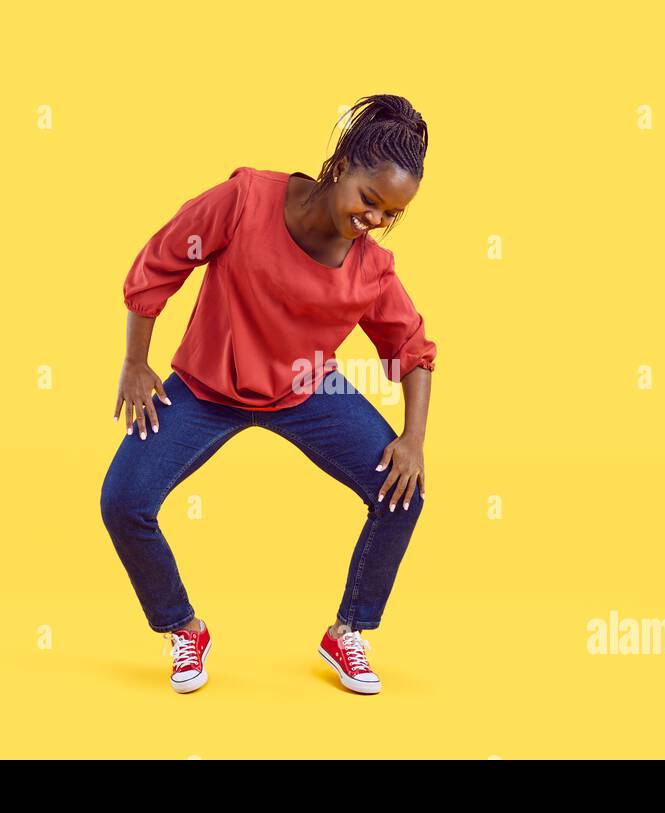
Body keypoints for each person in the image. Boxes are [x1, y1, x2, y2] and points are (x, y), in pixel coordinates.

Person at [100, 94, 436, 695]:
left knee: (402, 495)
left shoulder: (370, 268)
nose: (375, 219)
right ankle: (184, 628)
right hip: (207, 386)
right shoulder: (246, 201)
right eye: (369, 199)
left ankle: (349, 631)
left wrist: (413, 439)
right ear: (341, 166)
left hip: (307, 388)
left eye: (391, 213)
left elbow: (412, 350)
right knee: (124, 500)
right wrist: (134, 362)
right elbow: (161, 259)